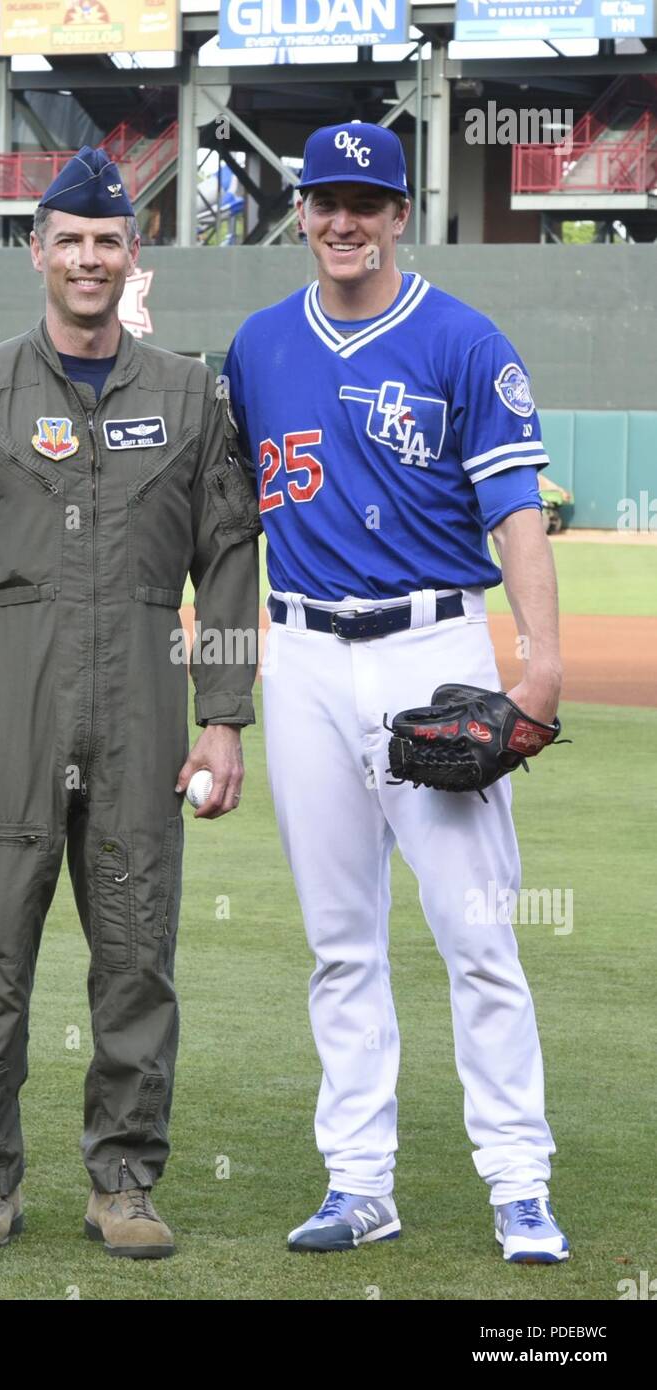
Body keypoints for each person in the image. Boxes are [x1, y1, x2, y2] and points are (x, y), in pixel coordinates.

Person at [0, 145, 260, 1259]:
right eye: (70, 241)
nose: (88, 258)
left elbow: (226, 563)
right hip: (2, 706)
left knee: (137, 961)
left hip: (141, 709)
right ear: (37, 253)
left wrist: (223, 716)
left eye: (108, 241)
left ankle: (124, 1184)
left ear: (132, 256)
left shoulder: (191, 396)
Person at [223, 122, 569, 1264]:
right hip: (302, 658)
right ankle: (358, 1182)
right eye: (324, 200)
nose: (342, 221)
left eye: (364, 203)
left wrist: (540, 661)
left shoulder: (462, 340)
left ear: (398, 216)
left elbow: (515, 510)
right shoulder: (257, 347)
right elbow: (221, 515)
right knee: (340, 943)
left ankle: (518, 1183)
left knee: (477, 936)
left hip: (432, 650)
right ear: (302, 212)